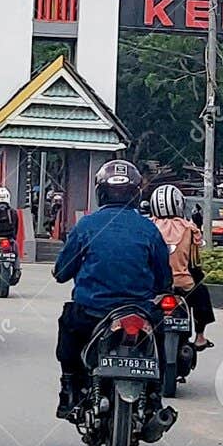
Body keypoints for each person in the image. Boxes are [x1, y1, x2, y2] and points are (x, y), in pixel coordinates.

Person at [53, 159, 172, 420]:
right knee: (159, 335)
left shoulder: (86, 225)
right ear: (136, 193)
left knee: (68, 327)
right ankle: (154, 395)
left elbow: (62, 273)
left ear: (100, 192)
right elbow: (165, 279)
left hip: (92, 313)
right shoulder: (149, 229)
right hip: (140, 311)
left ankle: (69, 388)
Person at [150, 182, 215, 350]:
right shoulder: (189, 228)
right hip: (182, 286)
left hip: (152, 286)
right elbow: (194, 263)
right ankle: (200, 336)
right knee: (201, 288)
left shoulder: (147, 226)